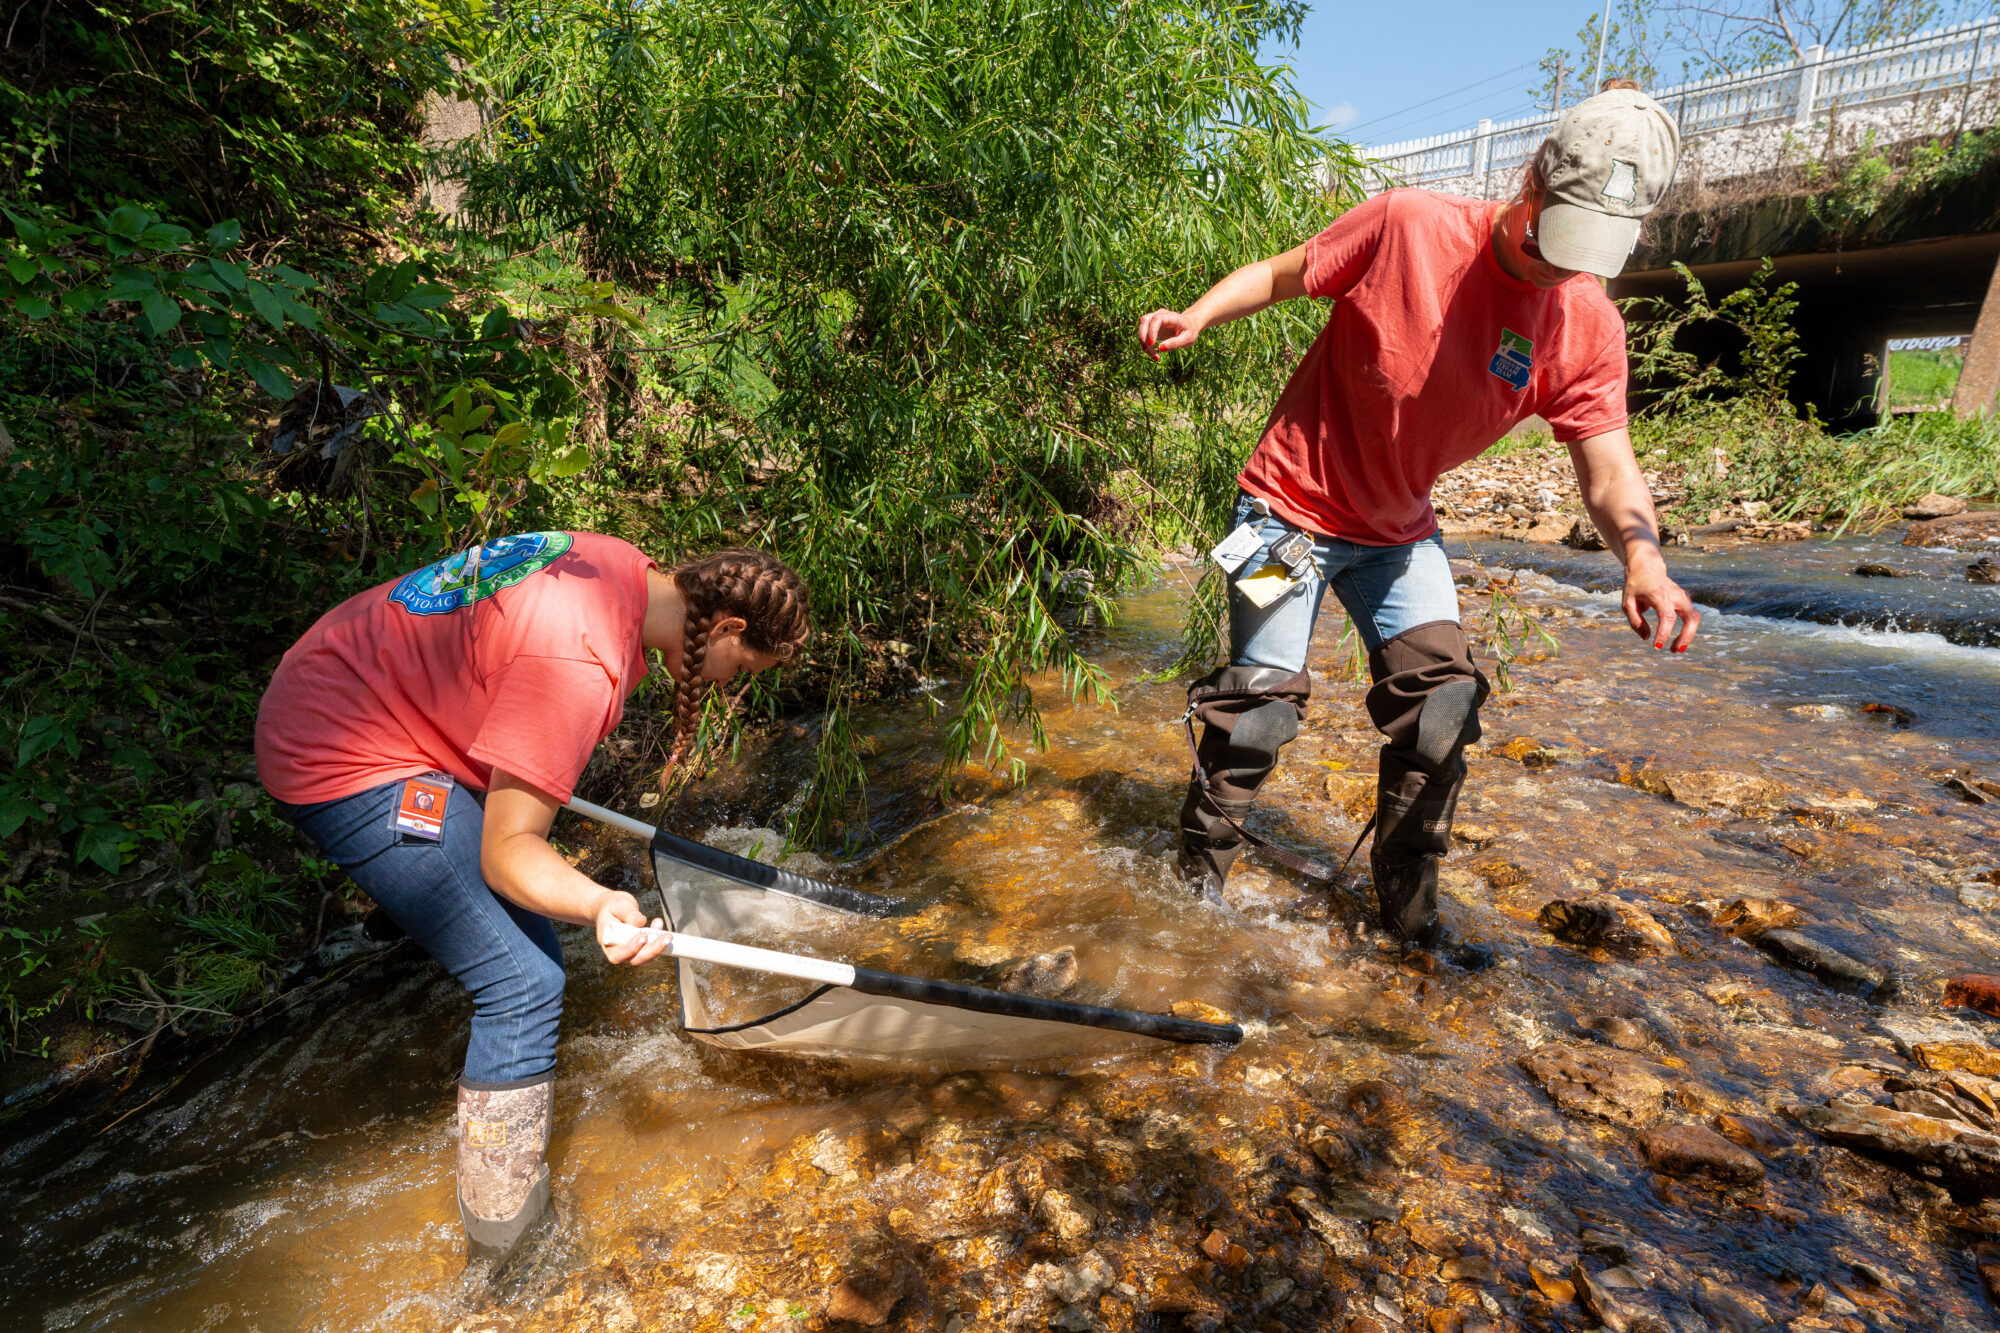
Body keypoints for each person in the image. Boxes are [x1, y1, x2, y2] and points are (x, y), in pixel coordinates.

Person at [1137, 86, 1701, 949]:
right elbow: (1285, 273)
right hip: (1276, 511)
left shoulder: (1584, 324)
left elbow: (1610, 463)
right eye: (1560, 234)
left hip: (1398, 533)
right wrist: (1200, 314)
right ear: (1531, 182)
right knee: (1258, 707)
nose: (1563, 267)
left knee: (1443, 706)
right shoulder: (1407, 223)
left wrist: (1643, 557)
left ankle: (1406, 924)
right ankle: (1186, 905)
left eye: (1591, 248)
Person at [254, 534, 810, 1265]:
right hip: (336, 745)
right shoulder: (581, 659)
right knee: (524, 980)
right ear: (731, 627)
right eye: (742, 670)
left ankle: (414, 907)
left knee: (523, 939)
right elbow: (508, 851)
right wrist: (601, 903)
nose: (730, 684)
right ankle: (504, 1248)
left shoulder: (622, 571)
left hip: (339, 675)